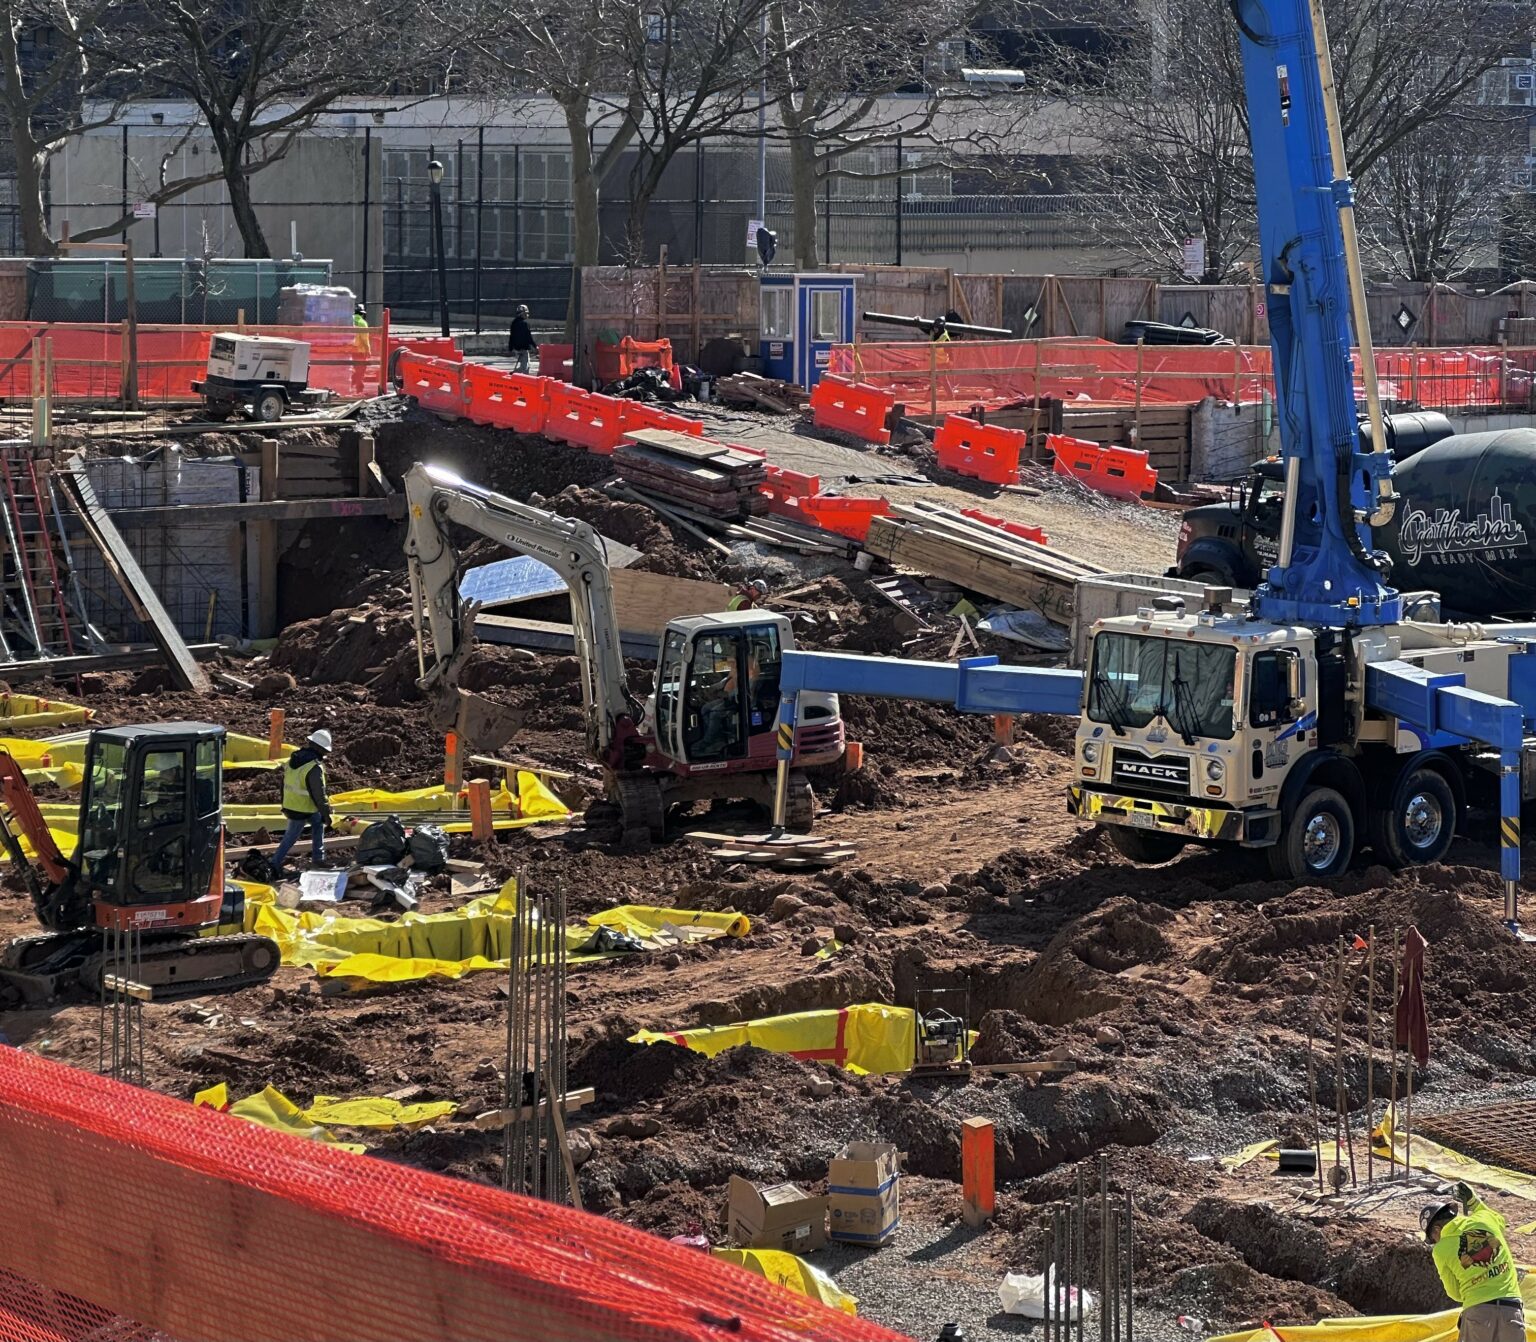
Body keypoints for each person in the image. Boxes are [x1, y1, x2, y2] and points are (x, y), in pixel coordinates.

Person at [1422, 1184, 1525, 1342]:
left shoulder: (1440, 1250)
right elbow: (1499, 1219)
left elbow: (1455, 1293)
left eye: (1433, 1238)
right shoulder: (1486, 1220)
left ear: (1436, 1230)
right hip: (1511, 1311)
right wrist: (1474, 1201)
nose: (1435, 1241)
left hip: (1477, 1314)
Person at [270, 729, 333, 877]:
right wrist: (327, 814)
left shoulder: (293, 759)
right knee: (291, 837)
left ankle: (318, 859)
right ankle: (274, 863)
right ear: (320, 749)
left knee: (318, 823)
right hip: (302, 809)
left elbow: (283, 784)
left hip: (293, 805)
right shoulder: (314, 767)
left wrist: (284, 805)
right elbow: (319, 794)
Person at [508, 304, 538, 374]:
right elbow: (528, 337)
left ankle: (515, 374)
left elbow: (511, 336)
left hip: (516, 348)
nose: (527, 315)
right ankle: (514, 375)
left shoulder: (513, 323)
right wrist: (535, 346)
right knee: (525, 368)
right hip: (523, 349)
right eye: (526, 313)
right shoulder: (525, 324)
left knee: (524, 366)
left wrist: (510, 348)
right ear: (523, 314)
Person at [351, 304, 372, 395]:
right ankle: (359, 390)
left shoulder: (349, 321)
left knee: (350, 370)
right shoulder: (362, 323)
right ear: (362, 313)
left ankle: (349, 388)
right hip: (360, 351)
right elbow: (365, 339)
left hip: (349, 351)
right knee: (360, 371)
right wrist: (368, 350)